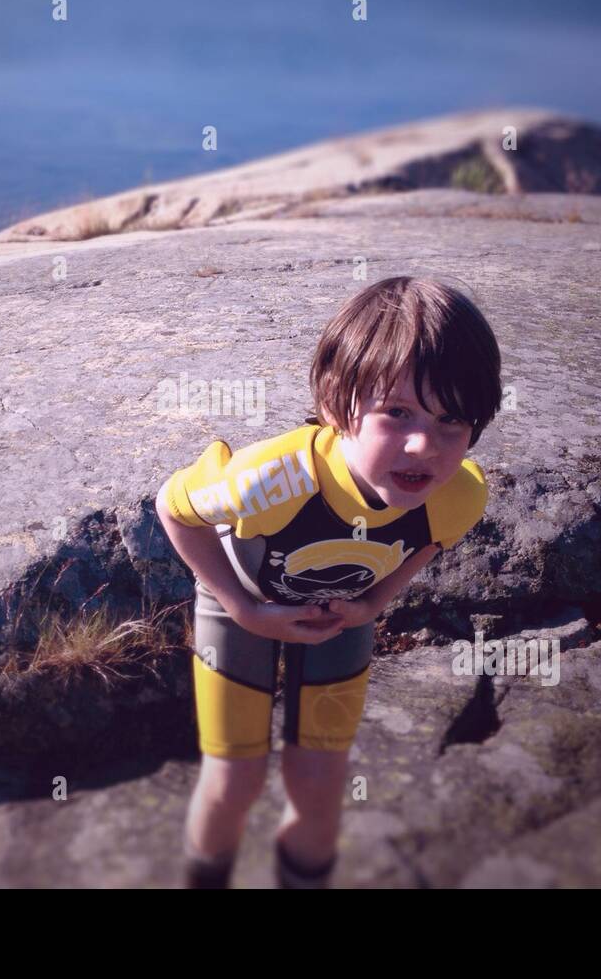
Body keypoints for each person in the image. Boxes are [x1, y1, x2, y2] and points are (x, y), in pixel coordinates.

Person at [155, 275, 503, 888]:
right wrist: (241, 607)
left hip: (340, 615)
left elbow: (427, 542)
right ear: (339, 405)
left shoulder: (459, 494)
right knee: (234, 780)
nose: (424, 445)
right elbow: (173, 510)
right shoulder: (270, 481)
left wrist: (373, 602)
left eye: (452, 420)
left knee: (319, 786)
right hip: (241, 605)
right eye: (397, 412)